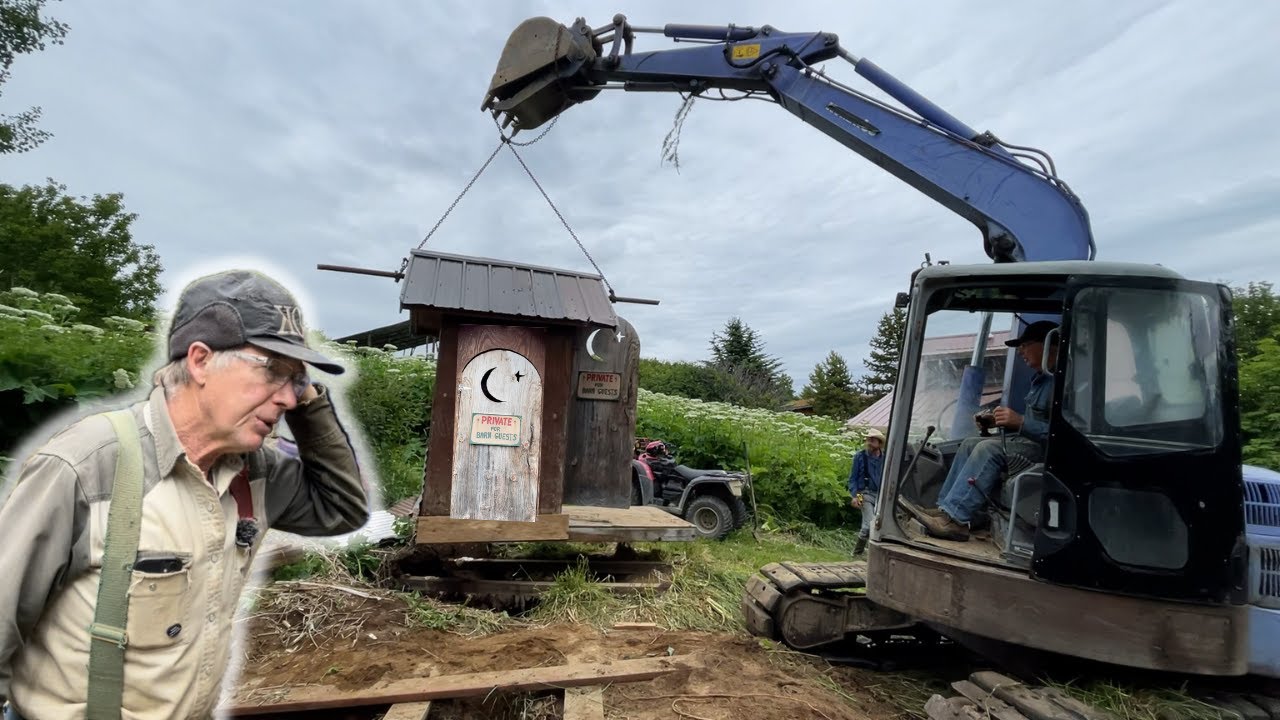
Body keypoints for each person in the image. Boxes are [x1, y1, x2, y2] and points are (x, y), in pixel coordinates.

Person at [0, 269, 370, 720]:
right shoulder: (87, 464)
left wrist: (311, 403)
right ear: (199, 360)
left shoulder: (256, 473)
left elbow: (343, 509)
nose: (289, 399)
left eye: (297, 380)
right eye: (273, 369)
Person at [915, 320, 1059, 542]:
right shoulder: (1041, 380)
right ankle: (946, 510)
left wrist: (1020, 422)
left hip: (1048, 453)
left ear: (1049, 344)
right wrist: (996, 421)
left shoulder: (1064, 383)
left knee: (987, 449)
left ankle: (956, 521)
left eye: (1026, 344)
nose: (1020, 350)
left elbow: (1065, 434)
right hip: (1030, 443)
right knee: (970, 443)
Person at [847, 427, 886, 555]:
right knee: (868, 525)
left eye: (872, 440)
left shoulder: (886, 458)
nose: (869, 443)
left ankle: (866, 554)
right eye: (868, 440)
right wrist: (855, 496)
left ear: (879, 443)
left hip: (881, 496)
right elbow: (853, 479)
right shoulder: (860, 456)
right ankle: (857, 553)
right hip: (864, 494)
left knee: (880, 526)